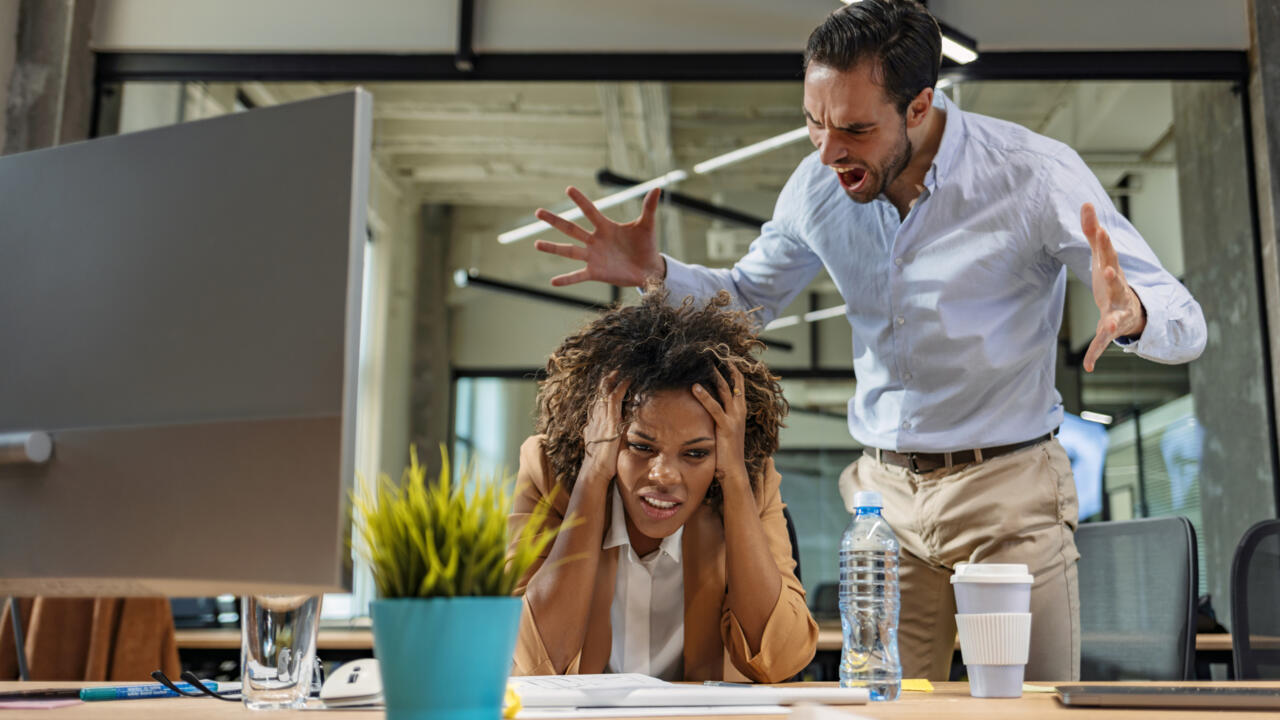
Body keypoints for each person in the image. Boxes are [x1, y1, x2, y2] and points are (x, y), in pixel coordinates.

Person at [526, 0, 1206, 682]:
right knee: (883, 707)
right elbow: (749, 301)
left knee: (1027, 706)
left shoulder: (1031, 174)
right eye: (814, 122)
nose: (827, 150)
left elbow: (1187, 322)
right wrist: (655, 272)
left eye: (853, 128)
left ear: (919, 106)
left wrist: (1135, 314)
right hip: (886, 503)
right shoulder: (816, 184)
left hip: (1008, 491)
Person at [507, 289, 818, 683]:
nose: (664, 476)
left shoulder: (750, 482)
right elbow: (532, 662)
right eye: (640, 446)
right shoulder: (549, 472)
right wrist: (592, 476)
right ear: (600, 430)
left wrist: (735, 481)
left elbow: (782, 661)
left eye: (695, 454)